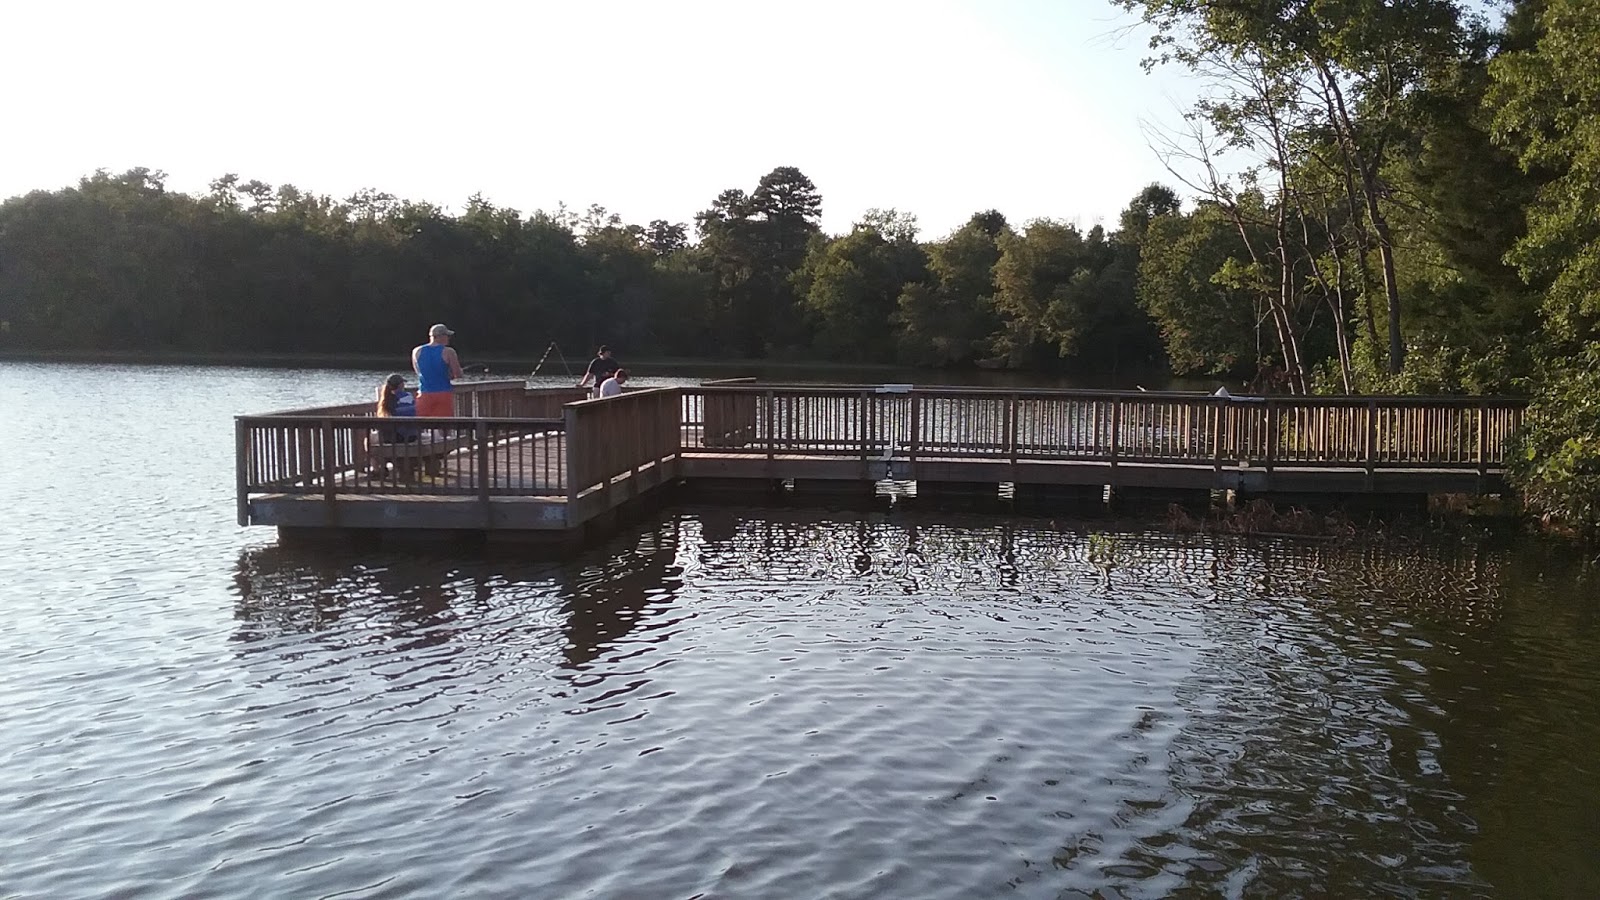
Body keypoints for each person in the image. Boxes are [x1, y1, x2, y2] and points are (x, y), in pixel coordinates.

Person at [412, 323, 464, 417]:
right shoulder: (449, 351)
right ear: (441, 336)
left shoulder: (417, 351)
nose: (448, 338)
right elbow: (457, 374)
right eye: (447, 336)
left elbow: (418, 372)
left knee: (421, 424)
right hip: (443, 393)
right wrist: (458, 372)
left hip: (424, 393)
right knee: (444, 426)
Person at [374, 373, 420, 442]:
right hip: (408, 436)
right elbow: (415, 411)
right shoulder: (407, 396)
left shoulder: (386, 400)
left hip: (390, 437)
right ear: (400, 385)